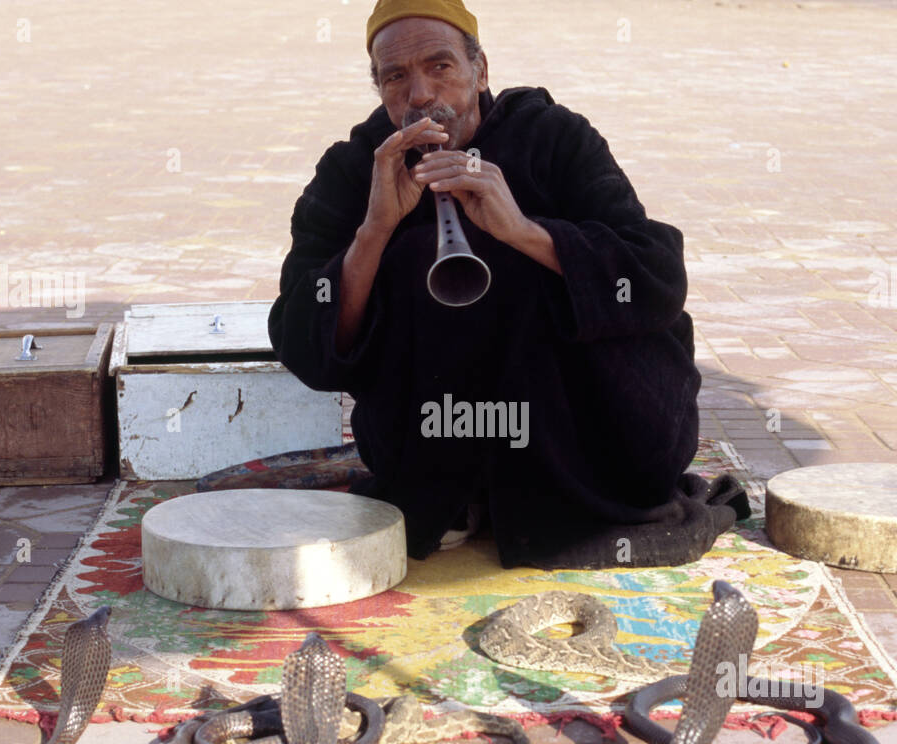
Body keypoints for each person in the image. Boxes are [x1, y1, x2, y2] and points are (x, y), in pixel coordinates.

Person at [268, 0, 748, 570]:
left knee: (524, 264)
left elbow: (657, 278)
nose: (420, 93)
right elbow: (303, 340)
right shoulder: (355, 168)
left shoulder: (555, 137)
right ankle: (461, 491)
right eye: (396, 76)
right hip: (433, 438)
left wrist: (524, 233)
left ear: (481, 71)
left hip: (591, 437)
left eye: (440, 66)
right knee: (414, 256)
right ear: (379, 88)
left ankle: (546, 494)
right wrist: (375, 233)